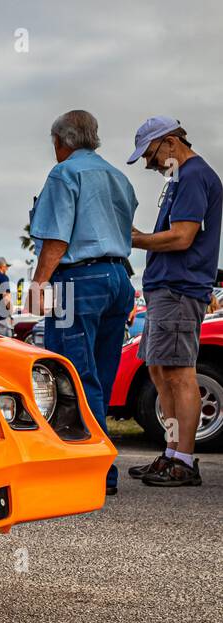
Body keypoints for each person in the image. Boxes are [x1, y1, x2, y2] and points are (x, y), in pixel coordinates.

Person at [27, 110, 136, 495]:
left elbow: (56, 238)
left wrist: (39, 284)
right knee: (100, 378)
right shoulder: (118, 177)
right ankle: (100, 467)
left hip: (79, 280)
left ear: (62, 141)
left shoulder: (64, 173)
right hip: (119, 278)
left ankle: (86, 471)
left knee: (71, 373)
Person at [127, 118, 222, 488]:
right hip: (167, 287)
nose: (150, 164)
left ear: (169, 142)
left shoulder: (194, 175)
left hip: (179, 287)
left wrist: (135, 239)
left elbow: (182, 237)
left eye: (150, 155)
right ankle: (171, 454)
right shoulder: (180, 177)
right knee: (159, 370)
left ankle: (183, 459)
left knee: (180, 373)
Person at [0, 257, 13, 331]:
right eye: (5, 266)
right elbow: (6, 297)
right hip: (1, 318)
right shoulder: (4, 278)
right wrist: (10, 315)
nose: (7, 269)